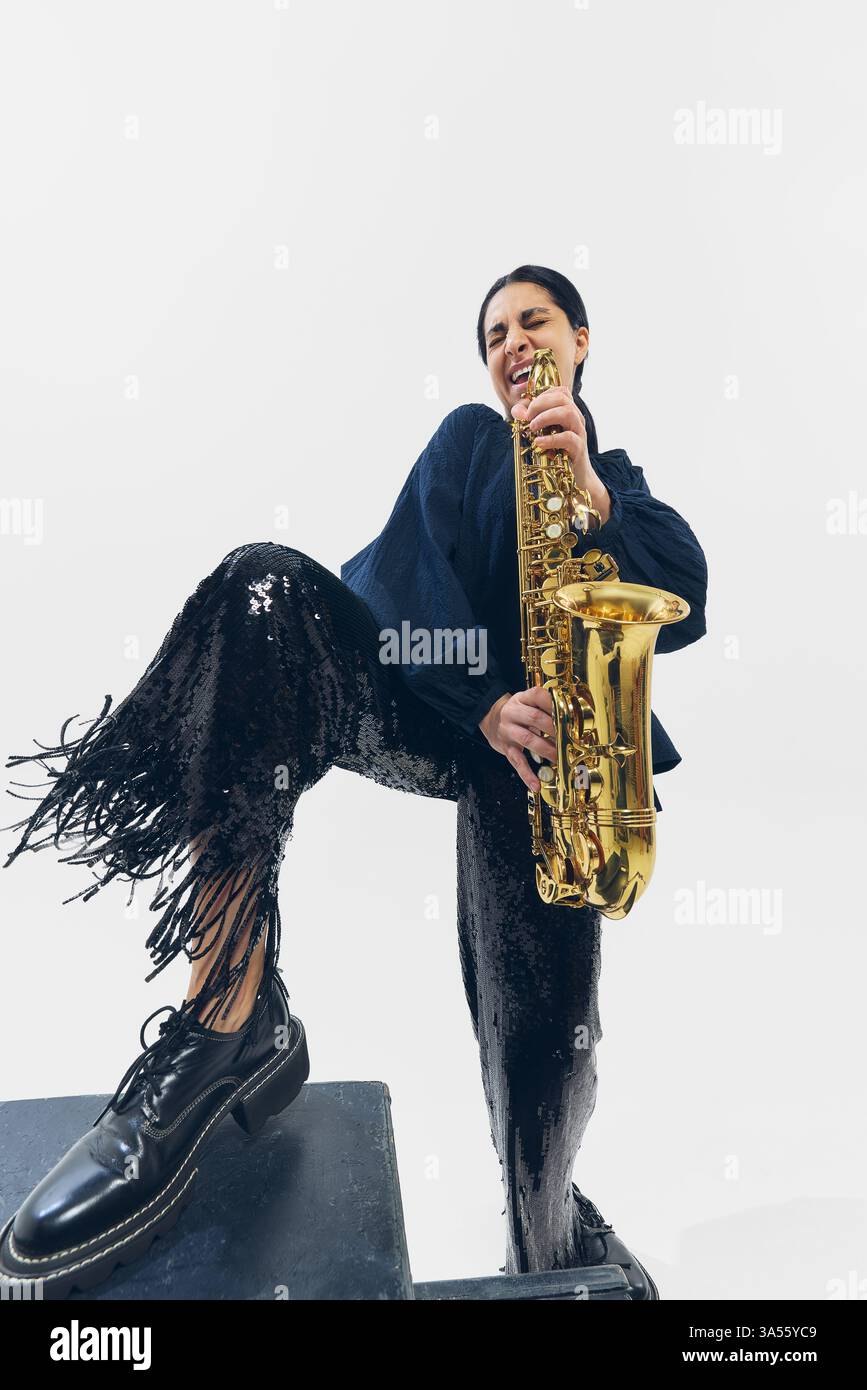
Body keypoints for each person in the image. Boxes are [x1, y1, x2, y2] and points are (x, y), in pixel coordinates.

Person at [0, 265, 707, 1299]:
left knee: (546, 1046)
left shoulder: (617, 482)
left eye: (533, 322)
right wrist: (480, 703)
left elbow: (686, 585)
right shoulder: (474, 439)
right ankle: (231, 1012)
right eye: (493, 331)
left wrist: (595, 494)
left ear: (581, 341)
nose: (511, 342)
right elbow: (400, 587)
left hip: (556, 761)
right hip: (445, 711)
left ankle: (551, 1238)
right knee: (263, 588)